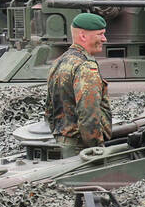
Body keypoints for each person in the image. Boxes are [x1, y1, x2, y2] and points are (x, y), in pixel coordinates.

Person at [46, 12, 110, 157]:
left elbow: (49, 111)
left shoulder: (59, 62)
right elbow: (88, 113)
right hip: (81, 149)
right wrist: (96, 148)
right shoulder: (86, 67)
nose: (104, 39)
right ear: (83, 36)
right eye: (100, 34)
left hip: (61, 144)